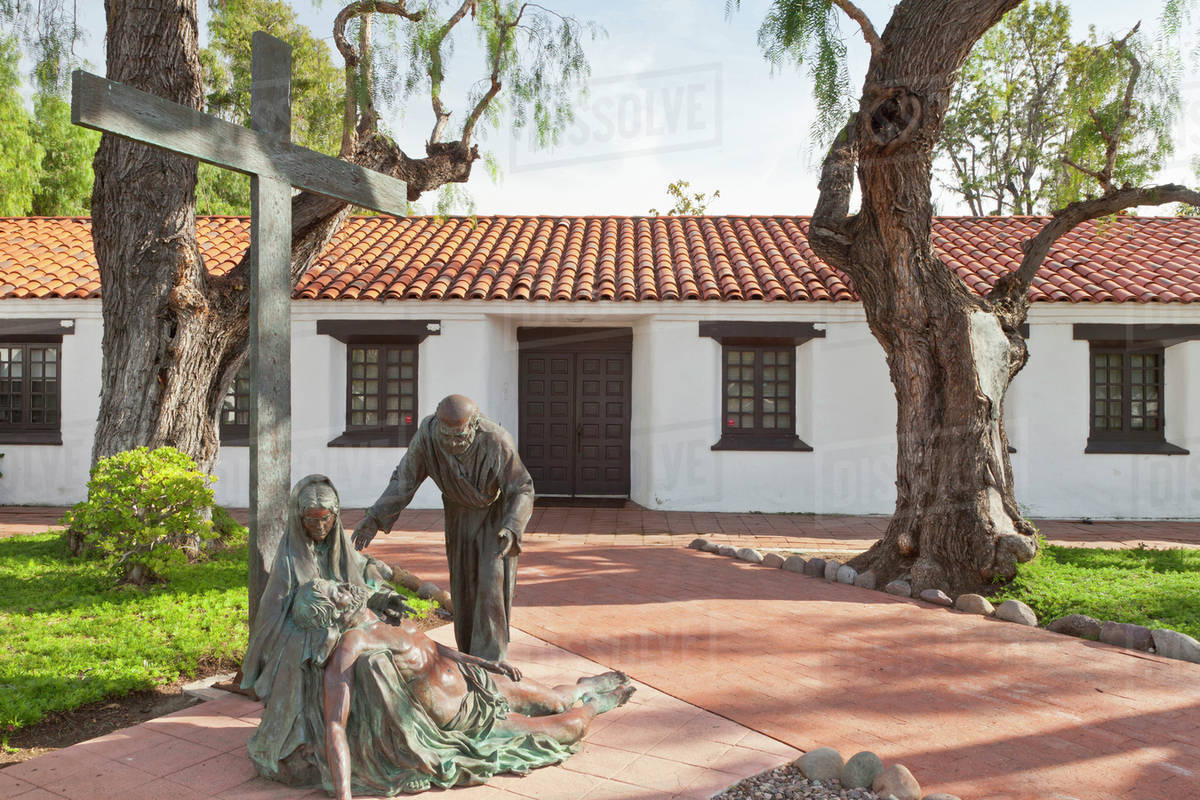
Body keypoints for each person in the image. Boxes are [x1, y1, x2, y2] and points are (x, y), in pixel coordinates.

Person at [292, 578, 634, 799]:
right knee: (571, 726)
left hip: (477, 684)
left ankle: (581, 687)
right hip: (468, 720)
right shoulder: (353, 644)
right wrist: (344, 796)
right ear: (330, 611)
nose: (343, 585)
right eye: (333, 590)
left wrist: (485, 663)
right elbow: (336, 721)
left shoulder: (383, 618)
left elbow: (434, 649)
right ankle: (596, 703)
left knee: (557, 700)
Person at [241, 475, 414, 785]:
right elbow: (272, 619)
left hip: (347, 630)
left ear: (335, 516)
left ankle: (383, 742)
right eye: (312, 520)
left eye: (326, 519)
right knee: (331, 663)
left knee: (377, 662)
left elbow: (361, 577)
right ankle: (311, 740)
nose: (320, 526)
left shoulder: (339, 547)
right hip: (306, 637)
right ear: (300, 518)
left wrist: (384, 595)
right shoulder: (289, 561)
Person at [353, 394, 534, 662]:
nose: (451, 443)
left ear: (474, 425)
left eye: (459, 437)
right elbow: (404, 480)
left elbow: (521, 487)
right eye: (446, 436)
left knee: (490, 585)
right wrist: (375, 518)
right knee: (463, 589)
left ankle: (492, 661)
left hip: (495, 519)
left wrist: (512, 526)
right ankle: (469, 657)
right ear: (438, 424)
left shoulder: (497, 440)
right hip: (458, 516)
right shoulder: (427, 436)